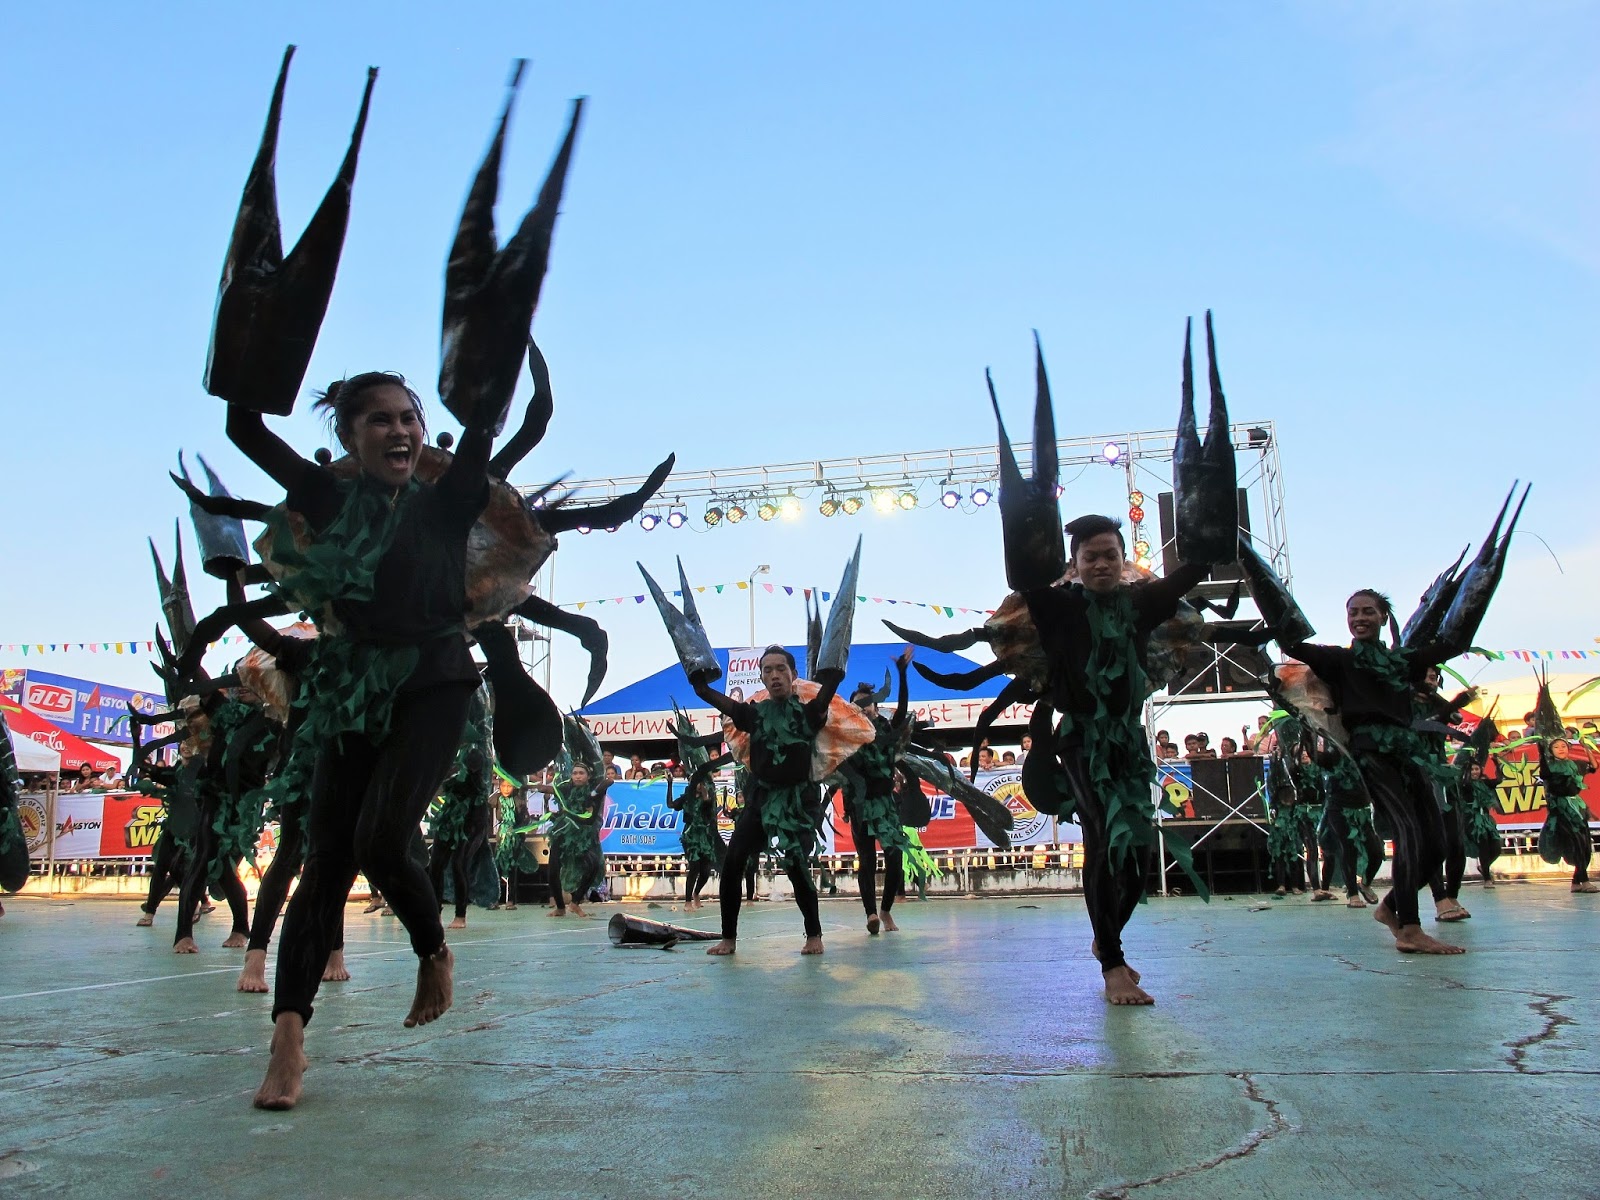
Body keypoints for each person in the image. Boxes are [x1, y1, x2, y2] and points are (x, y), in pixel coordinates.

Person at [232, 371, 492, 1110]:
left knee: (383, 838)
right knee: (325, 862)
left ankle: (432, 949)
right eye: (380, 420)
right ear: (349, 437)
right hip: (352, 692)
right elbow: (243, 429)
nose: (401, 431)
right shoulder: (329, 500)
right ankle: (287, 1043)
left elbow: (484, 423)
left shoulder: (447, 504)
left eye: (409, 418)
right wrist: (259, 338)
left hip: (437, 685)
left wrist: (497, 343)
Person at [1020, 514, 1211, 1005]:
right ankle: (1112, 966)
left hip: (1129, 742)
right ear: (1075, 564)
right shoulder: (1059, 606)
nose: (1101, 564)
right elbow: (1023, 579)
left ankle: (1107, 938)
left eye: (1110, 555)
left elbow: (1192, 570)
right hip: (1081, 741)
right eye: (1091, 556)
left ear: (1124, 562)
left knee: (1138, 849)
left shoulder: (1141, 604)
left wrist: (1209, 527)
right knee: (1104, 839)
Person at [1281, 590, 1468, 954]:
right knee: (1407, 830)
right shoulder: (1339, 660)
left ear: (1384, 617)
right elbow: (1294, 643)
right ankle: (1410, 929)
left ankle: (1390, 906)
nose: (1359, 618)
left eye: (1368, 611)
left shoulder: (1403, 661)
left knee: (1437, 844)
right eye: (1353, 612)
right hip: (1369, 752)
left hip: (1407, 752)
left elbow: (1451, 643)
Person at [693, 646, 844, 955]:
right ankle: (729, 938)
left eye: (780, 669)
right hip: (761, 798)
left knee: (796, 865)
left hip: (799, 800)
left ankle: (814, 935)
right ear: (761, 677)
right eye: (767, 671)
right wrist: (700, 686)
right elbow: (723, 703)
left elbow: (827, 692)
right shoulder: (754, 714)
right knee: (733, 862)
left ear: (793, 675)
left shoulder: (809, 712)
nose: (774, 676)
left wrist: (833, 673)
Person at [838, 649, 914, 935]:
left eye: (869, 704)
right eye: (859, 705)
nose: (865, 708)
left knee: (895, 856)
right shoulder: (847, 736)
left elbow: (903, 710)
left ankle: (885, 911)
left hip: (886, 802)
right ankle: (870, 913)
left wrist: (903, 675)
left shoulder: (886, 729)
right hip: (860, 804)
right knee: (867, 859)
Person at [540, 761, 608, 918]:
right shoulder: (566, 787)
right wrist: (530, 787)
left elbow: (609, 781)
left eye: (581, 773)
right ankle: (560, 907)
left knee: (594, 865)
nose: (577, 776)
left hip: (583, 833)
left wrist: (592, 794)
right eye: (575, 773)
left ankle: (575, 902)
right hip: (564, 830)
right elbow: (548, 789)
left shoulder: (594, 790)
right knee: (553, 868)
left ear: (588, 776)